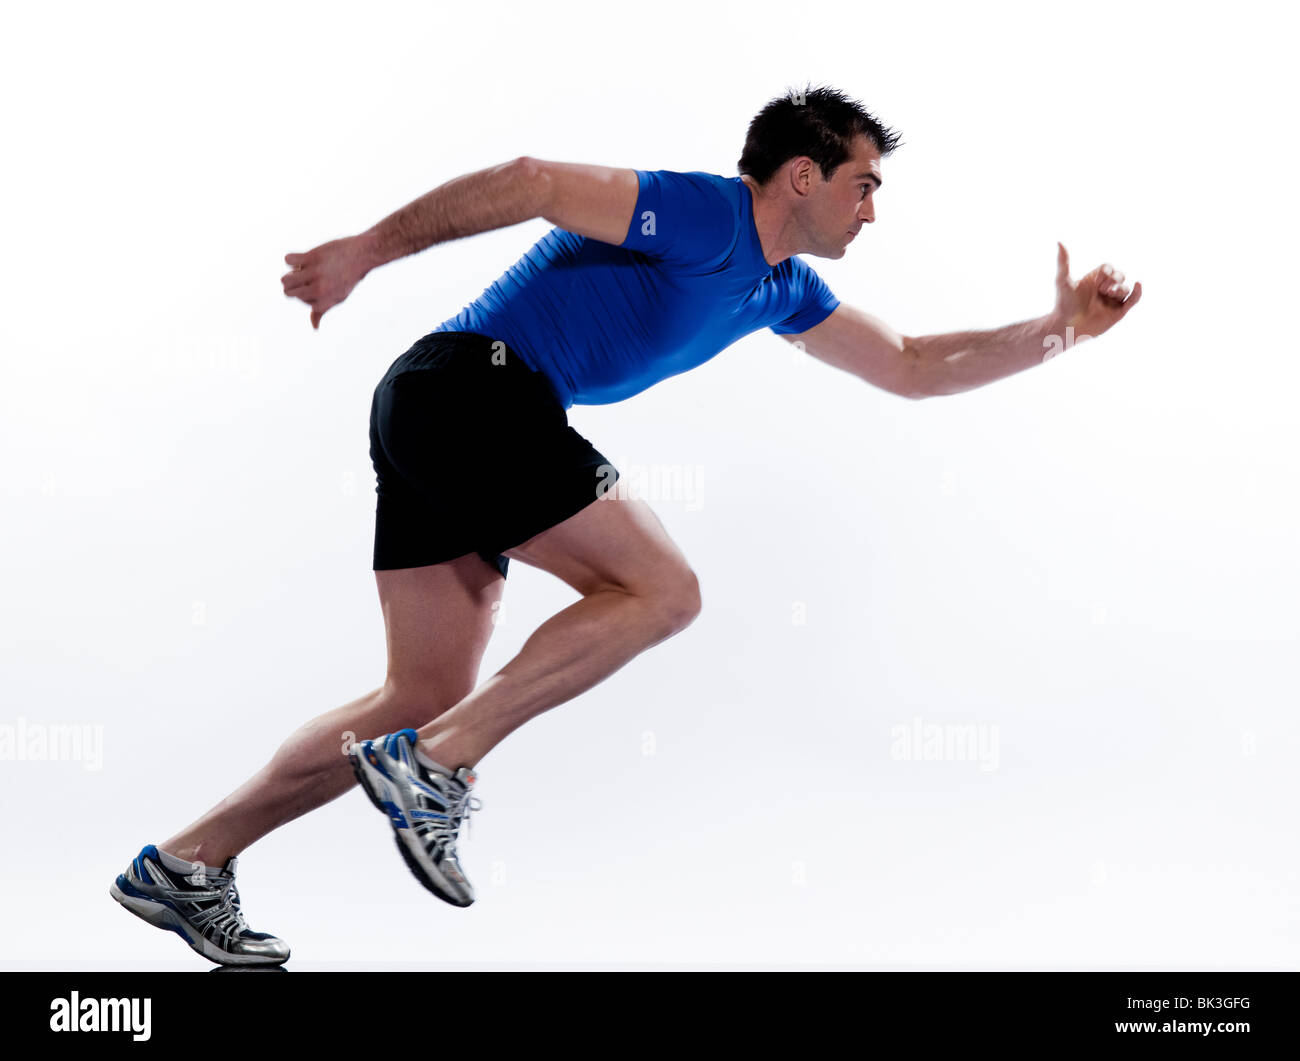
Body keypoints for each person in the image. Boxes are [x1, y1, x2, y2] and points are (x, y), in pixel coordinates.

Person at [110, 84, 1141, 966]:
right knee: (662, 589)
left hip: (442, 409)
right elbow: (530, 178)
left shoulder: (778, 288)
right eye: (863, 183)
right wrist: (365, 252)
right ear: (799, 176)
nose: (873, 210)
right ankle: (440, 762)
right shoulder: (704, 215)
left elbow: (912, 365)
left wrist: (1059, 332)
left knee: (417, 691)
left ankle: (188, 860)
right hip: (474, 390)